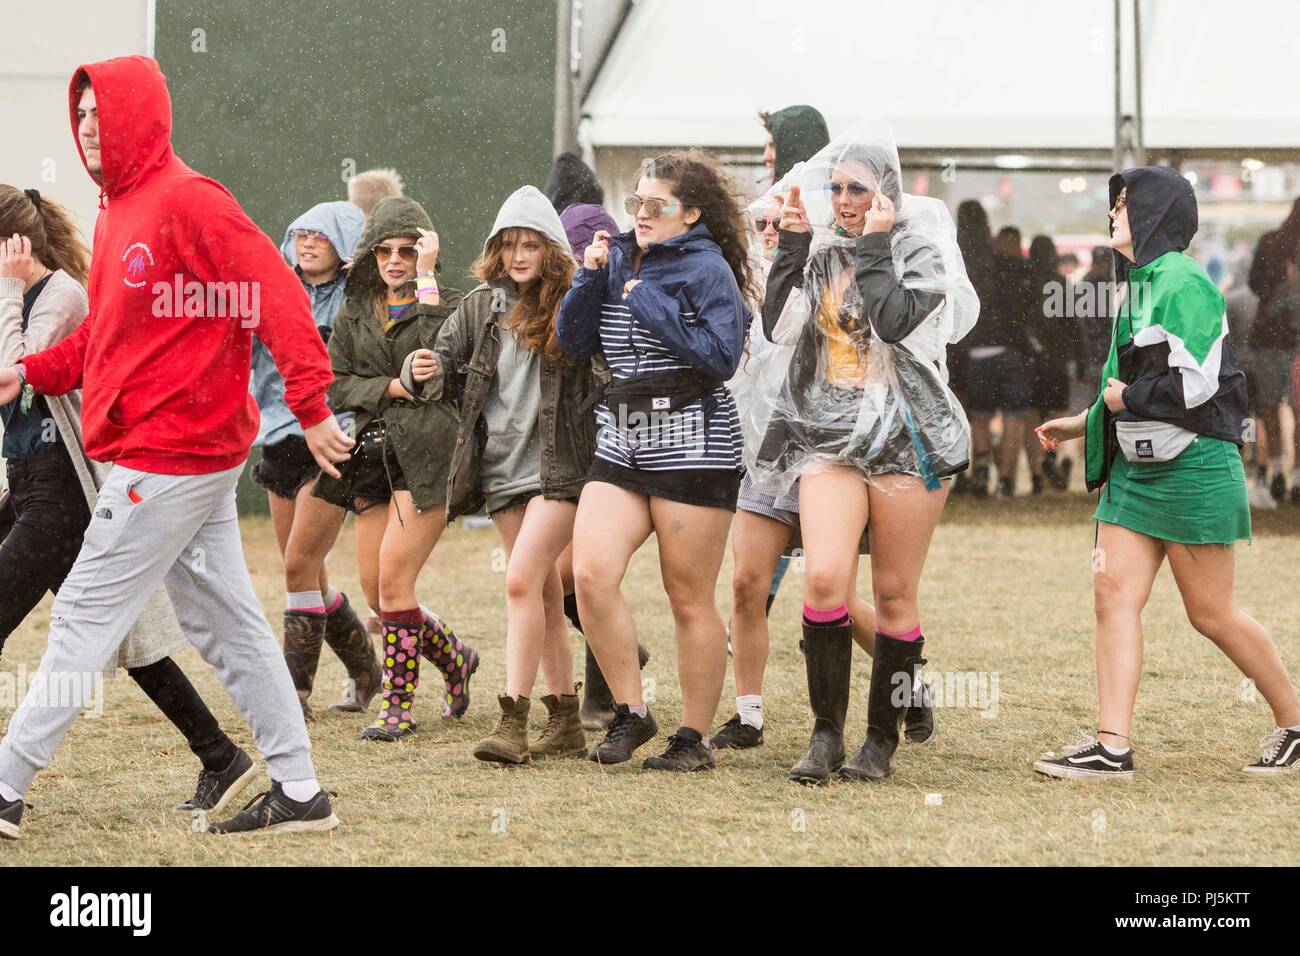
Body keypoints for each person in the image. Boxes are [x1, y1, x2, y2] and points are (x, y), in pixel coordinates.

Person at [0, 56, 351, 839]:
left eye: (101, 115)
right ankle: (299, 792)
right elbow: (104, 335)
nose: (88, 131)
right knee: (227, 624)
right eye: (80, 117)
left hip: (173, 456)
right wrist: (28, 372)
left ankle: (5, 787)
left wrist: (311, 401)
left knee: (85, 616)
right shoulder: (120, 208)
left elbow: (276, 291)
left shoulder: (189, 200)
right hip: (179, 457)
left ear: (139, 116)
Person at [1034, 167, 1300, 779]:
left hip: (1195, 467)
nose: (1113, 215)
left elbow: (1199, 383)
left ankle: (1293, 720)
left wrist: (1126, 401)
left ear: (1154, 213)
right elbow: (1126, 385)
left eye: (1124, 205)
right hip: (1137, 468)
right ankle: (1111, 747)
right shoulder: (1141, 280)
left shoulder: (1180, 280)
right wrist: (1085, 420)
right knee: (1113, 596)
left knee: (1211, 613)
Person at [0, 186, 254, 821]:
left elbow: (14, 377)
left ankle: (5, 789)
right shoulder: (15, 296)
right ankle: (220, 755)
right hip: (27, 483)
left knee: (109, 631)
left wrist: (8, 292)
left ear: (14, 245)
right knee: (123, 639)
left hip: (62, 493)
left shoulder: (60, 295)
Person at [746, 121, 977, 784]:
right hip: (829, 434)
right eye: (835, 187)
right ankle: (824, 736)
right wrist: (792, 245)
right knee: (824, 580)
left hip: (909, 440)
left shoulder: (921, 248)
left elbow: (895, 322)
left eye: (857, 188)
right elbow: (780, 326)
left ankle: (880, 740)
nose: (843, 199)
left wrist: (875, 246)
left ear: (887, 194)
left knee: (894, 590)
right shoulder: (822, 251)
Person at [717, 185, 935, 751]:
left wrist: (853, 246)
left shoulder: (882, 254)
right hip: (784, 443)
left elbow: (888, 326)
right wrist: (782, 255)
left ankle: (902, 689)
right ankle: (760, 718)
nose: (768, 229)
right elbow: (764, 343)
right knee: (752, 582)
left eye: (853, 188)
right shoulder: (785, 264)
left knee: (855, 589)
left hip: (867, 444)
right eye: (759, 221)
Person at [557, 150, 750, 772]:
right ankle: (632, 712)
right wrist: (590, 278)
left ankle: (692, 739)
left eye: (655, 205)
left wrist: (653, 306)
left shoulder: (708, 268)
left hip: (694, 437)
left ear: (690, 213)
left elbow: (721, 358)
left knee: (687, 595)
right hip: (623, 433)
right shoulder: (614, 254)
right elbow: (572, 340)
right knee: (588, 574)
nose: (640, 214)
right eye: (635, 202)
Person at [404, 186, 598, 764]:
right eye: (509, 244)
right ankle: (565, 719)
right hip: (501, 472)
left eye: (530, 245)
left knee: (519, 581)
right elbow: (441, 364)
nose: (518, 256)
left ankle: (512, 718)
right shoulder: (481, 307)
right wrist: (427, 368)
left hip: (560, 469)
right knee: (539, 590)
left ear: (550, 249)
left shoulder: (571, 304)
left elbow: (602, 365)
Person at [312, 195, 479, 742]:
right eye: (385, 250)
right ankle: (455, 659)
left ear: (426, 252)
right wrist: (391, 387)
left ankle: (398, 706)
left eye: (408, 250)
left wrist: (427, 283)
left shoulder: (452, 301)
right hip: (373, 455)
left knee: (396, 580)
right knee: (376, 591)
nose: (395, 259)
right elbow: (334, 380)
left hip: (430, 453)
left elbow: (439, 366)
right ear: (370, 255)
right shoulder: (355, 308)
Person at [250, 199, 381, 718]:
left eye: (321, 236)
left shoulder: (359, 299)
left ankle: (292, 696)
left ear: (344, 244)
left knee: (298, 565)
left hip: (333, 443)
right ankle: (368, 670)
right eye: (300, 233)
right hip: (278, 442)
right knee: (309, 575)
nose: (307, 243)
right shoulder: (274, 290)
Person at [555, 202, 651, 730]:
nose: (580, 259)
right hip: (563, 449)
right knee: (568, 577)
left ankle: (601, 695)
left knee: (584, 572)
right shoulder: (559, 290)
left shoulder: (621, 287)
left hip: (610, 443)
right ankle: (622, 656)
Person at [955, 202, 1034, 497]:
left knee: (980, 416)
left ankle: (980, 471)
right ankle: (1007, 480)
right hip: (1012, 349)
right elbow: (1028, 304)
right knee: (1014, 415)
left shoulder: (960, 264)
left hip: (975, 353)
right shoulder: (1008, 264)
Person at [1246, 197, 1300, 504]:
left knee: (1268, 406)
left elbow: (1254, 285)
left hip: (1267, 336)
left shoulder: (1269, 241)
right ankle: (1298, 477)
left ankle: (1277, 466)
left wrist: (1273, 297)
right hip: (1296, 340)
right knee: (1298, 408)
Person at [1024, 235, 1085, 493]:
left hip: (1029, 360)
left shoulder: (1023, 285)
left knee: (1031, 416)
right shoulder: (1061, 285)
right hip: (1057, 361)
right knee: (1055, 414)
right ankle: (1051, 457)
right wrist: (1080, 359)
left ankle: (1036, 474)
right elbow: (1075, 327)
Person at [759, 105, 831, 184]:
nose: (765, 158)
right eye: (765, 148)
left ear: (798, 149)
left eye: (773, 146)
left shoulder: (830, 194)